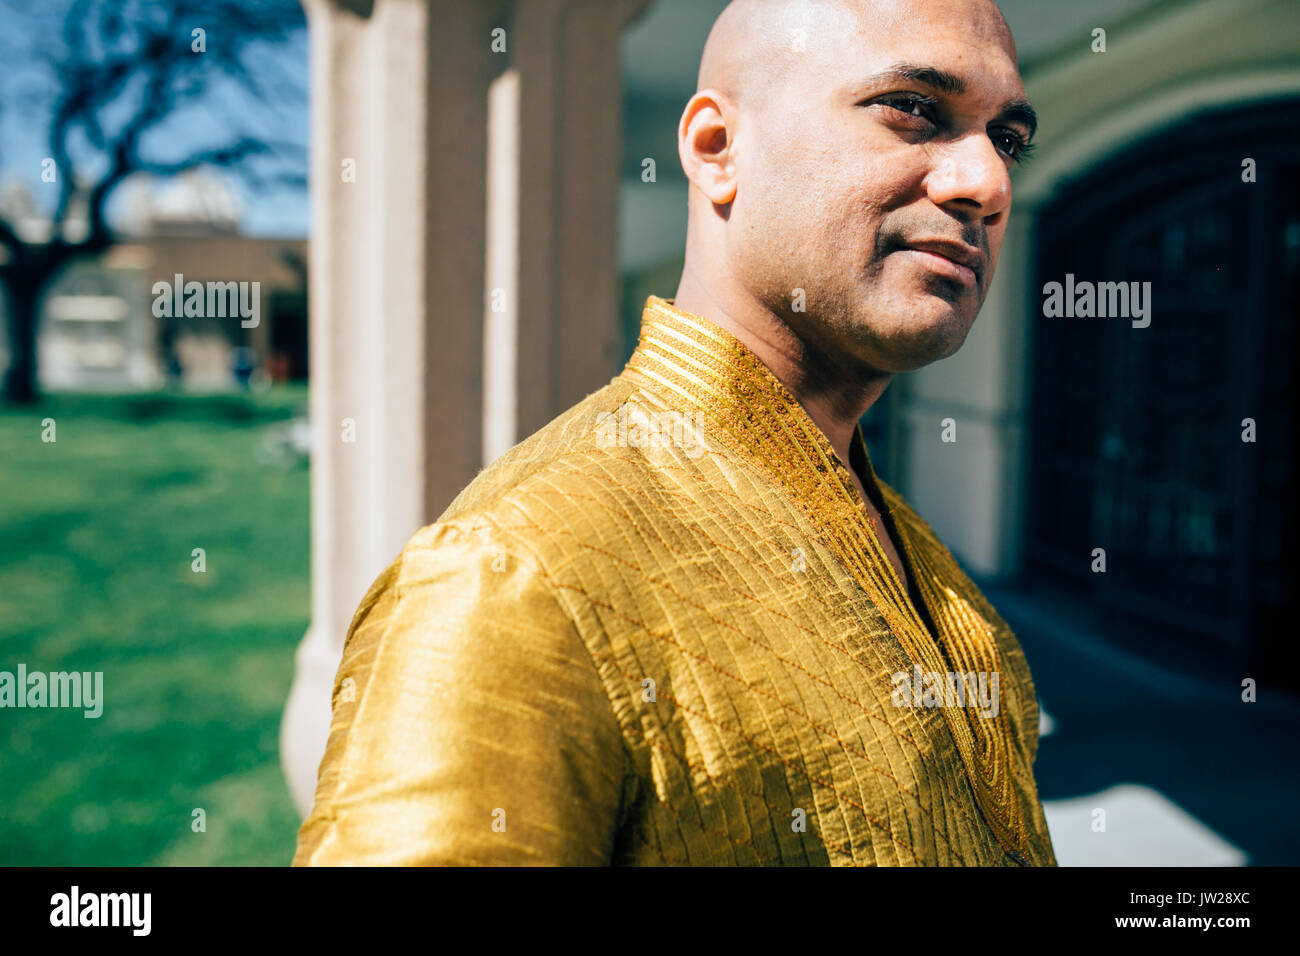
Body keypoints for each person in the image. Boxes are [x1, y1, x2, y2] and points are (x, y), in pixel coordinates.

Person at [294, 0, 1056, 866]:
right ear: (716, 149)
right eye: (915, 108)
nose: (988, 183)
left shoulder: (923, 559)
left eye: (1008, 139)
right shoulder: (514, 574)